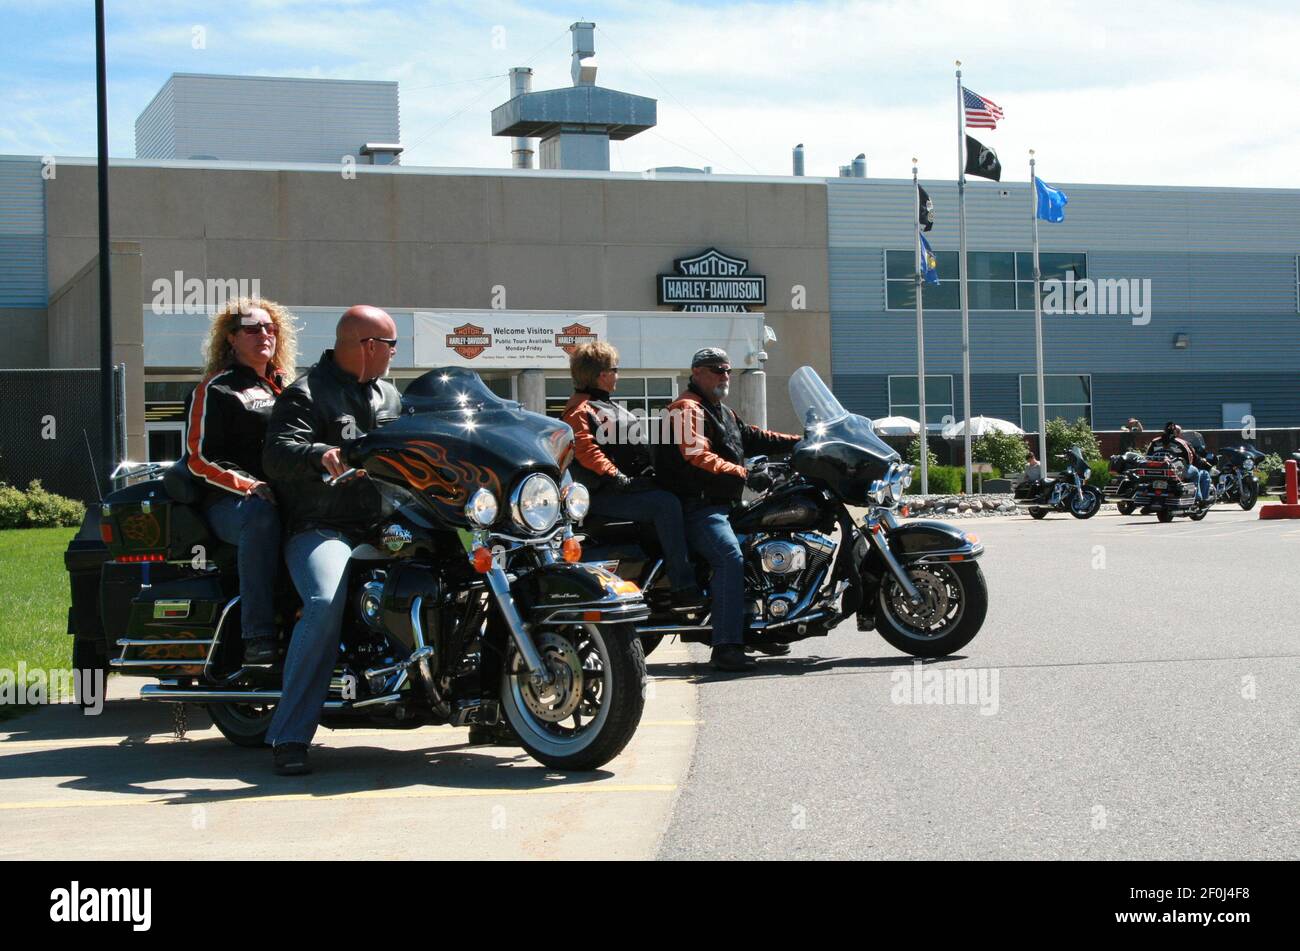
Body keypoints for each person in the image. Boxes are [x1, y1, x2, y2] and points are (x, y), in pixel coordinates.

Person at [262, 305, 402, 775]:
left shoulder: (390, 395)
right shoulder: (306, 394)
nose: (394, 355)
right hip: (322, 527)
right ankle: (290, 734)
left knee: (471, 568)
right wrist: (319, 452)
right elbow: (277, 453)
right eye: (391, 345)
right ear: (366, 346)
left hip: (384, 523)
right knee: (324, 600)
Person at [656, 348, 801, 672]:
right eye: (716, 369)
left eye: (727, 370)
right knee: (729, 557)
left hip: (726, 505)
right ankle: (725, 647)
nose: (724, 376)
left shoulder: (720, 411)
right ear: (696, 373)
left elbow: (754, 437)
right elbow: (698, 456)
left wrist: (801, 441)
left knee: (763, 543)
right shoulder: (686, 409)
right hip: (699, 507)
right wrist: (746, 473)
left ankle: (758, 628)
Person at [182, 298, 297, 665]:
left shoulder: (288, 388)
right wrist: (250, 486)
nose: (264, 334)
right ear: (231, 338)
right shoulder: (215, 389)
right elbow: (198, 460)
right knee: (261, 515)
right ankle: (258, 635)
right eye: (252, 328)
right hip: (229, 503)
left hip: (283, 495)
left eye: (270, 328)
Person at [562, 343, 704, 612]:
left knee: (681, 496)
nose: (618, 375)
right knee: (665, 504)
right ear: (602, 374)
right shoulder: (580, 410)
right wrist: (616, 476)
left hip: (625, 488)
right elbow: (586, 450)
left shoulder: (602, 405)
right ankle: (684, 586)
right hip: (603, 495)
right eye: (615, 369)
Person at [1148, 421, 1211, 501]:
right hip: (1176, 471)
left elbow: (1148, 456)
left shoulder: (1155, 441)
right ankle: (1197, 498)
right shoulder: (1182, 442)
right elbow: (1190, 459)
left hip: (1156, 471)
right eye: (1178, 432)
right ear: (1176, 432)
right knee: (1196, 472)